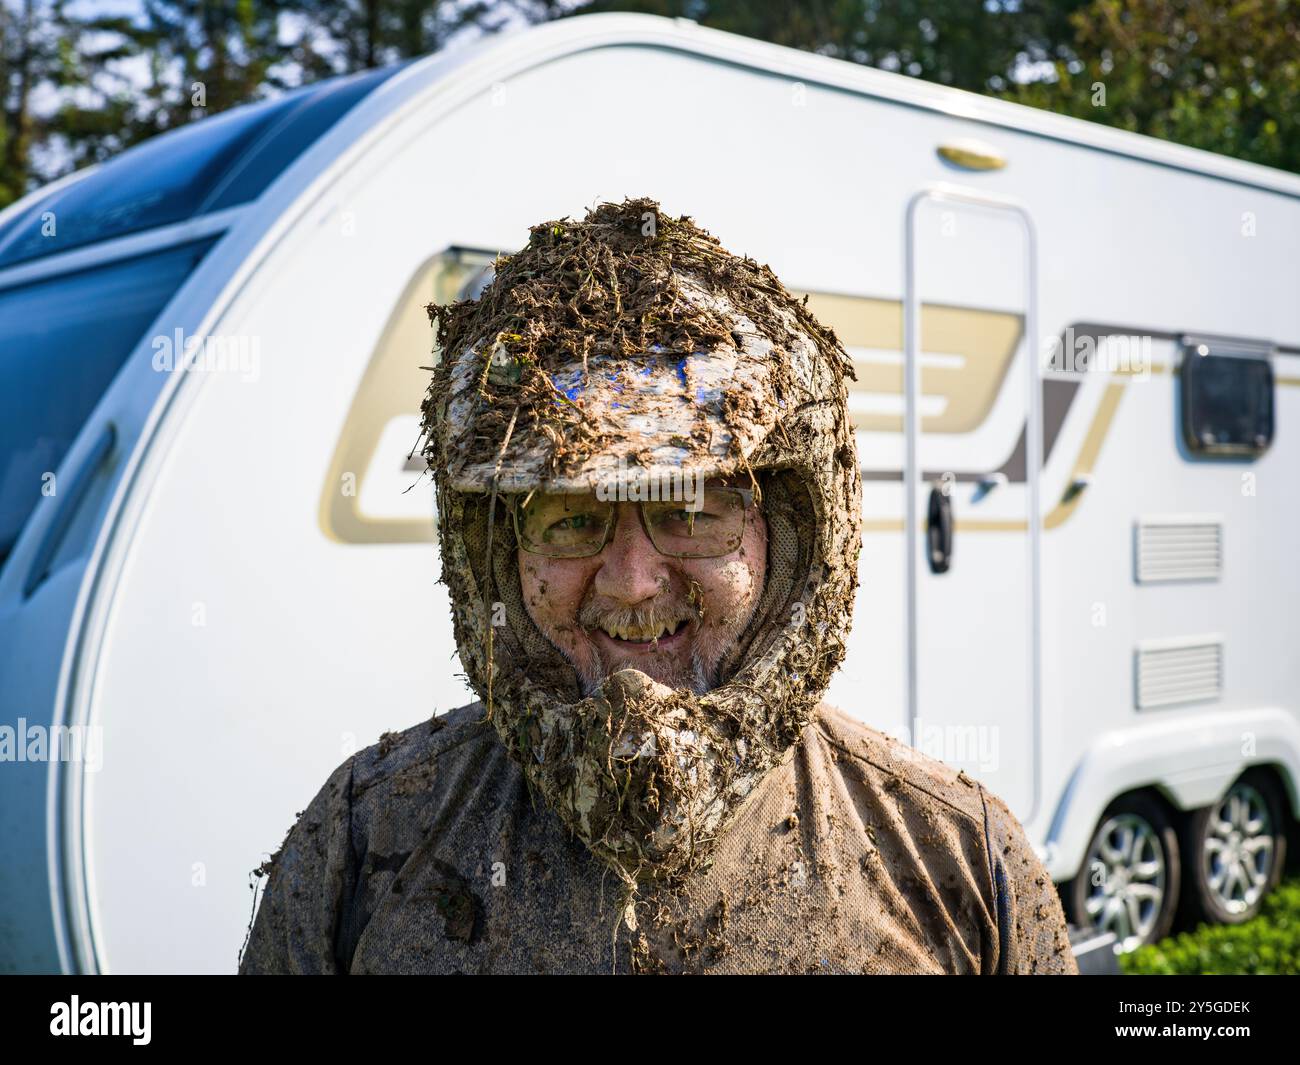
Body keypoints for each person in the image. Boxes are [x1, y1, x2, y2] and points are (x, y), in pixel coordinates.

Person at [239, 197, 1077, 974]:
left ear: (792, 538)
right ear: (495, 552)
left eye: (692, 511)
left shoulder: (959, 864)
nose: (634, 583)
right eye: (569, 518)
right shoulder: (364, 842)